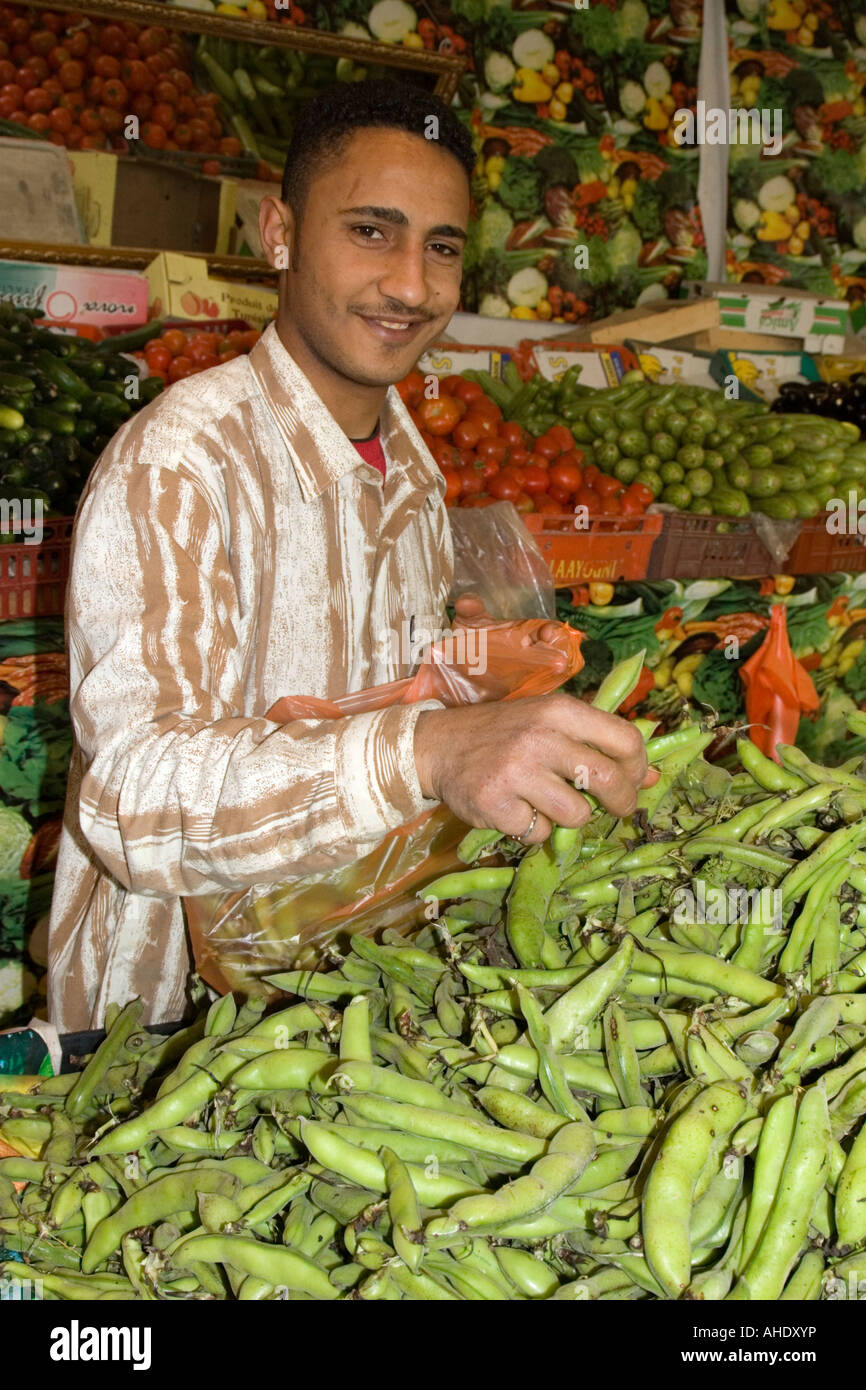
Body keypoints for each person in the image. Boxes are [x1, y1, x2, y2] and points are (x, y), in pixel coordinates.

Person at [47, 80, 653, 1031]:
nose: (412, 285)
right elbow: (135, 797)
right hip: (169, 1024)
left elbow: (360, 695)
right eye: (371, 231)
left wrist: (465, 681)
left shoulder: (409, 461)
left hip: (346, 986)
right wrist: (426, 748)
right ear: (279, 233)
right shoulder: (183, 461)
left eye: (441, 247)